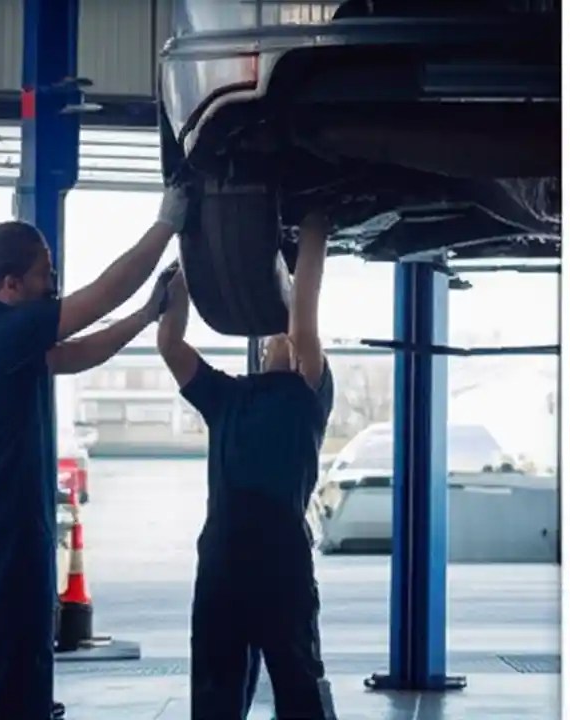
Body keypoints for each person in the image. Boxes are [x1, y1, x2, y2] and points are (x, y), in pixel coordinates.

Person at [0, 188, 189, 720]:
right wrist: (167, 224)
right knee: (5, 656)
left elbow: (76, 355)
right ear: (11, 285)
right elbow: (99, 297)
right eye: (44, 274)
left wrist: (147, 315)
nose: (52, 284)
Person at [157, 210, 335, 720]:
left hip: (276, 559)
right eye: (276, 336)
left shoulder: (306, 395)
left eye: (287, 336)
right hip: (227, 558)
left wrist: (316, 228)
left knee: (298, 680)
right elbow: (169, 344)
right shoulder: (226, 396)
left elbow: (304, 316)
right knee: (217, 686)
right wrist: (188, 266)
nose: (281, 335)